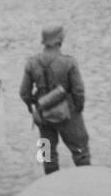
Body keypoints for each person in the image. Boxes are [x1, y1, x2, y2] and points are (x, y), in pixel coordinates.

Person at [20, 25, 90, 175]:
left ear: (44, 42)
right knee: (80, 151)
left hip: (43, 115)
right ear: (60, 41)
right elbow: (78, 91)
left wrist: (34, 107)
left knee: (47, 154)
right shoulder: (69, 62)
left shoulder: (31, 63)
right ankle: (87, 182)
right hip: (68, 114)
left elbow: (24, 93)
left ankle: (50, 183)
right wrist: (78, 108)